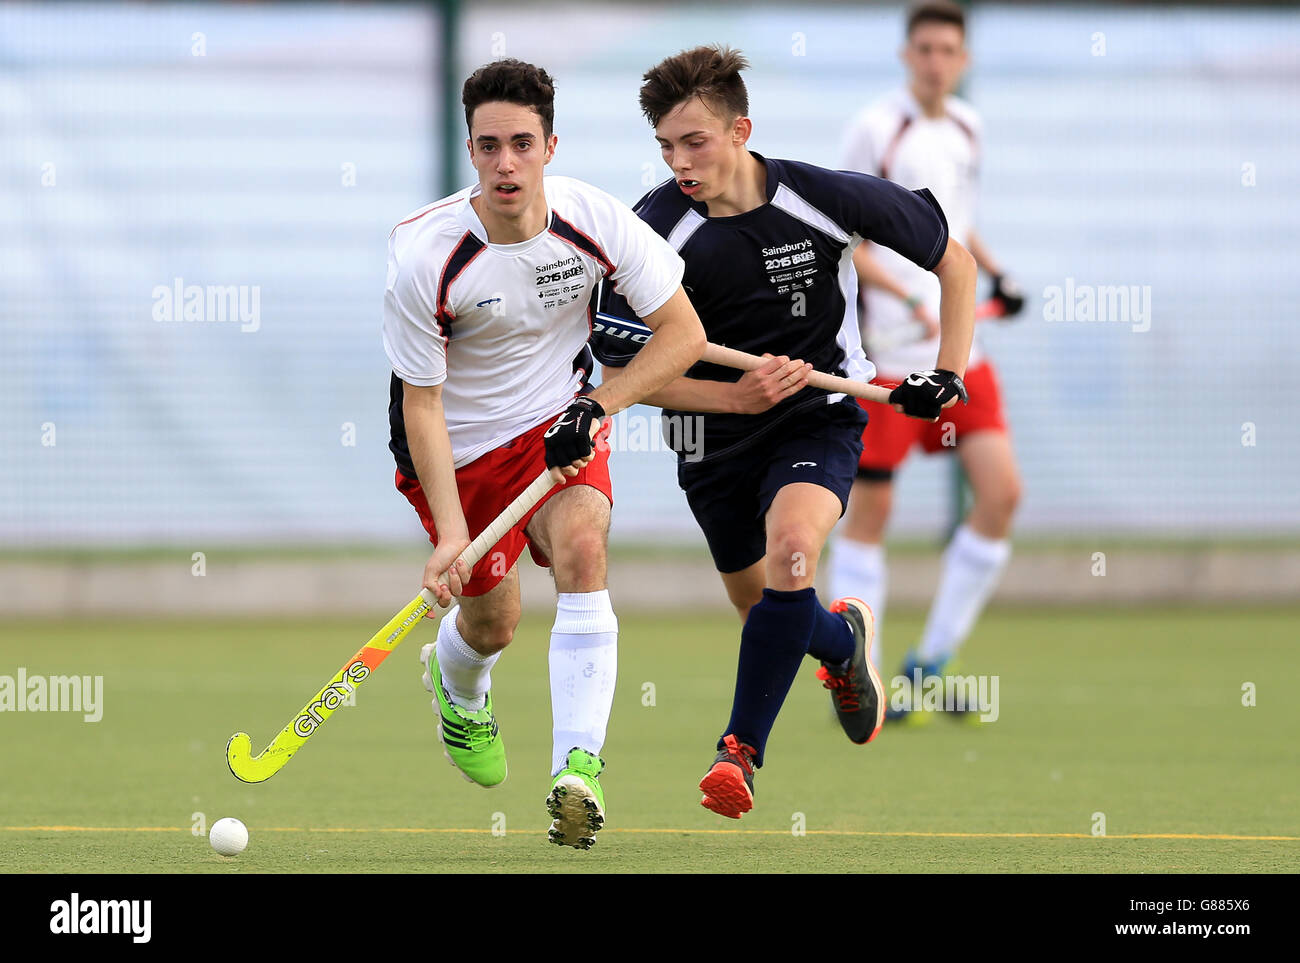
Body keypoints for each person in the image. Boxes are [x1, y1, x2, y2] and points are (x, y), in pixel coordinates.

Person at [596, 44, 976, 819]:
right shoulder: (653, 231)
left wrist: (950, 368)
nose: (680, 162)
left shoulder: (821, 196)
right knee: (766, 608)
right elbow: (619, 375)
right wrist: (731, 398)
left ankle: (739, 753)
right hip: (711, 441)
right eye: (666, 147)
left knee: (793, 555)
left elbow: (955, 264)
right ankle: (842, 645)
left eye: (695, 141)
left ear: (741, 130)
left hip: (817, 415)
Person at [383, 59, 705, 848]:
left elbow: (683, 335)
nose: (505, 163)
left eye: (521, 144)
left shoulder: (595, 221)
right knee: (493, 624)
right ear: (470, 149)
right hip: (456, 448)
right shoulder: (424, 255)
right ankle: (458, 683)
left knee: (584, 546)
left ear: (550, 145)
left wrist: (596, 405)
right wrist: (454, 535)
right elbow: (420, 404)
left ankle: (578, 771)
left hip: (559, 423)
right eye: (488, 146)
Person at [831, 0, 1025, 723]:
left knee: (1001, 494)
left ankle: (928, 664)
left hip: (964, 354)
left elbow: (958, 224)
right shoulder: (877, 129)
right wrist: (908, 300)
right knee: (872, 511)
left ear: (963, 59)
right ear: (906, 55)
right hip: (890, 362)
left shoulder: (969, 127)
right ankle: (861, 676)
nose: (936, 61)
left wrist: (997, 276)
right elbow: (842, 235)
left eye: (948, 49)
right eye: (925, 48)